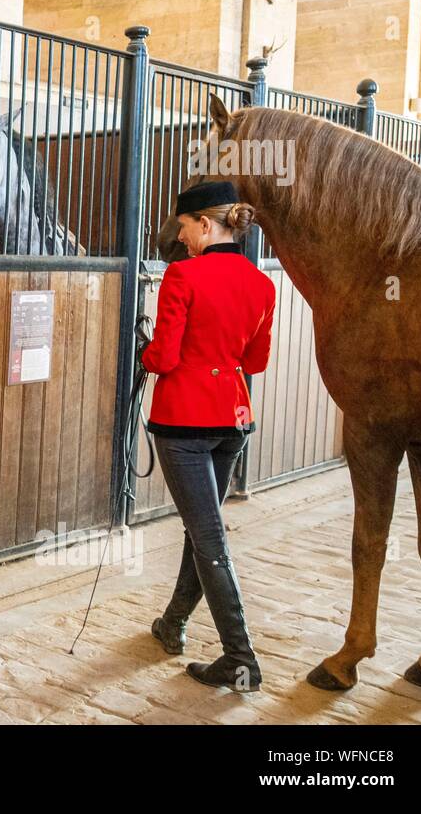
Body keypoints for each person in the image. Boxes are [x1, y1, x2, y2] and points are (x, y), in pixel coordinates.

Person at [142, 180, 276, 691]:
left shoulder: (183, 275)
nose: (181, 239)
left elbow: (165, 357)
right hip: (233, 420)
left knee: (209, 538)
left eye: (183, 228)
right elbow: (255, 361)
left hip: (184, 422)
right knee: (204, 532)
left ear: (205, 222)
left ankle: (241, 659)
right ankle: (173, 623)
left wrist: (145, 353)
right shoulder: (262, 283)